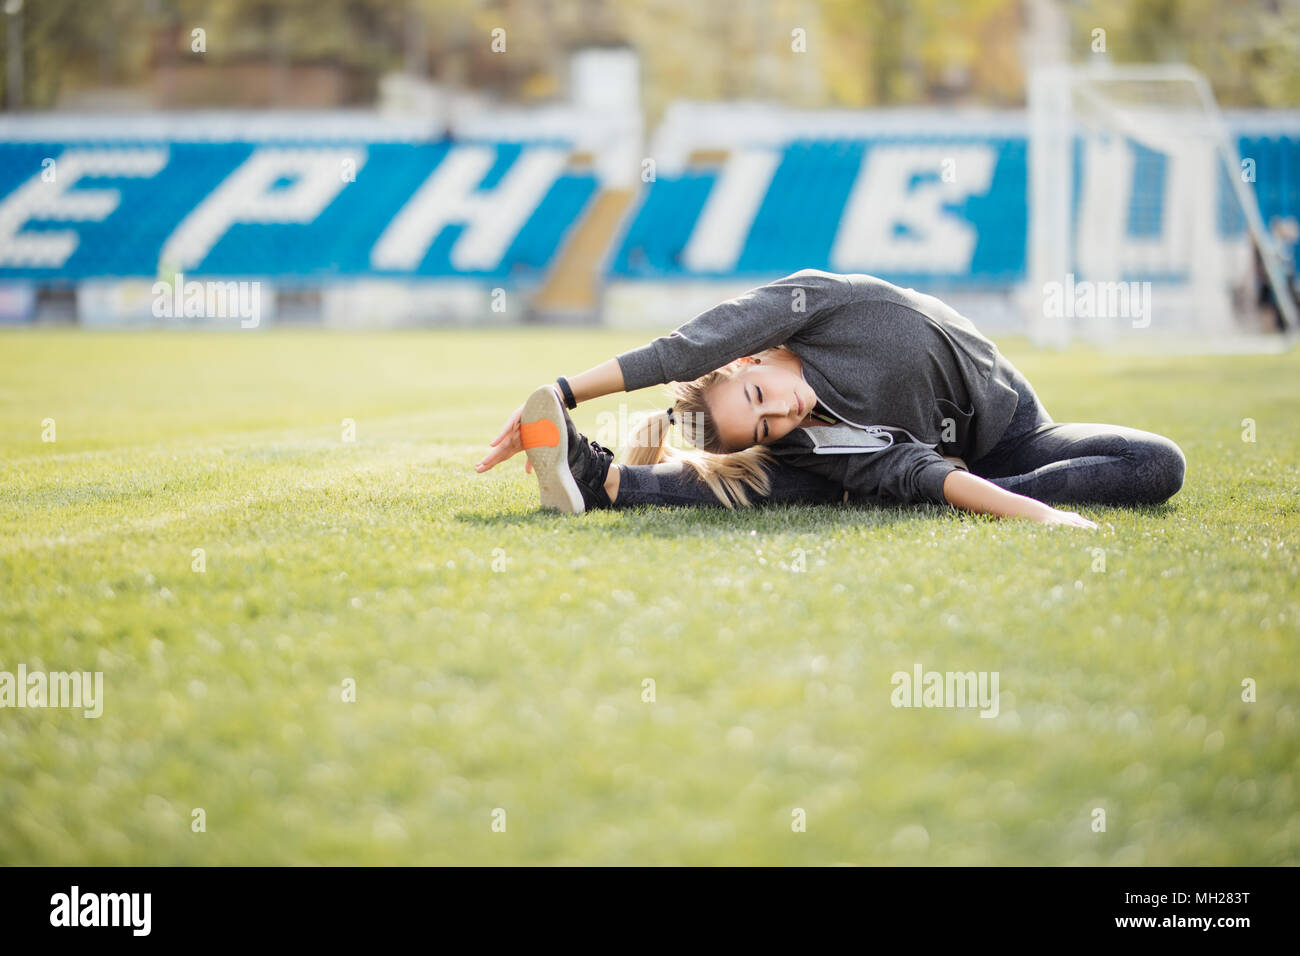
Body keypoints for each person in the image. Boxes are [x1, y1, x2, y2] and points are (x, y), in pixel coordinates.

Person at [476, 270, 1186, 528]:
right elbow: (920, 471)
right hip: (945, 466)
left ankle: (594, 465)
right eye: (760, 424)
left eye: (758, 392)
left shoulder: (815, 304)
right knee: (785, 476)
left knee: (1154, 463)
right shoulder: (808, 439)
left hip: (1015, 435)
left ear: (751, 354)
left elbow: (683, 351)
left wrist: (563, 390)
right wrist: (1043, 517)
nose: (779, 412)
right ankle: (599, 475)